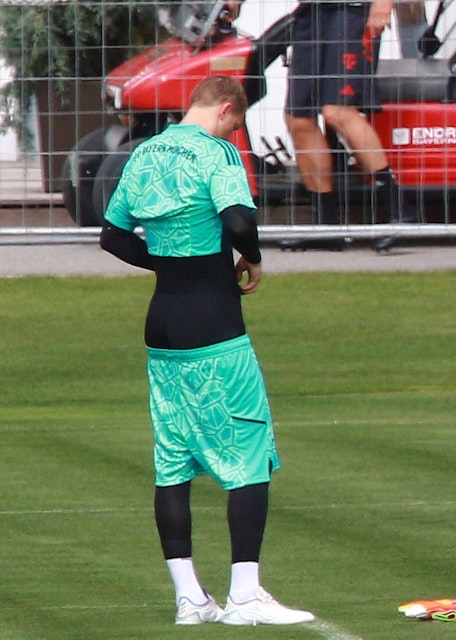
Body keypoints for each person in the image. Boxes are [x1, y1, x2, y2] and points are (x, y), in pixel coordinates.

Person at [99, 76, 314, 626]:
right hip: (213, 324)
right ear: (224, 111)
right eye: (236, 124)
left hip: (163, 324)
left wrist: (170, 268)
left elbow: (113, 235)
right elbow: (239, 219)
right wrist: (251, 259)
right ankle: (244, 595)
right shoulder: (217, 152)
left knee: (171, 460)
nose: (235, 133)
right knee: (249, 448)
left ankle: (189, 598)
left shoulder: (144, 151)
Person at [279, 0, 421, 252]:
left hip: (352, 10)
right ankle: (327, 229)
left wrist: (383, 3)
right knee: (298, 118)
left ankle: (401, 211)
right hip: (311, 11)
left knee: (338, 112)